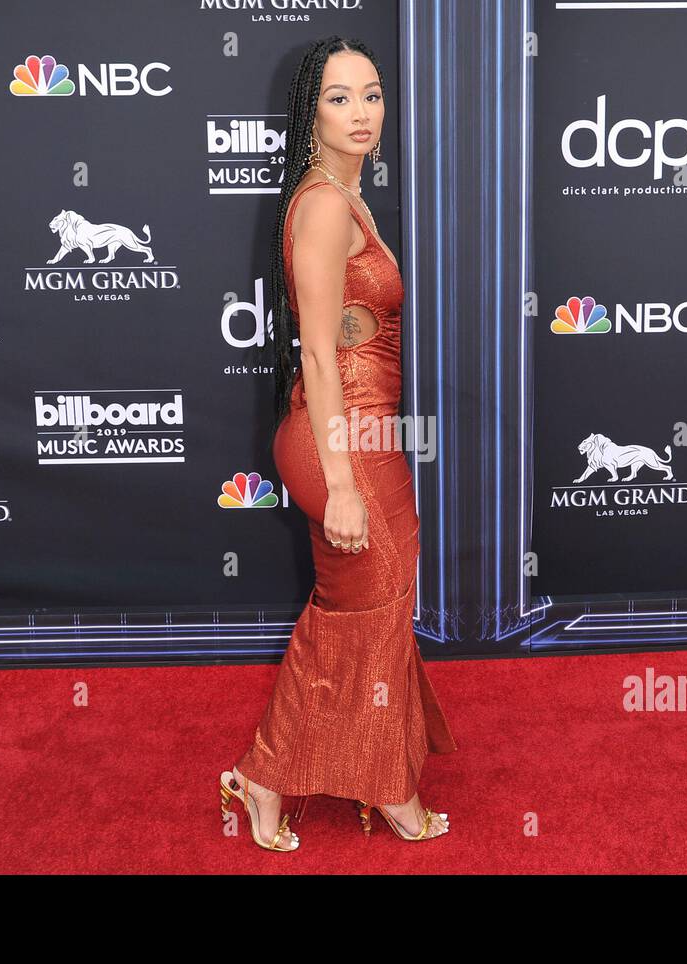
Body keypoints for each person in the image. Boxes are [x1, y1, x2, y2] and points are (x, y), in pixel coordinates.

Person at [218, 37, 457, 851]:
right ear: (309, 114)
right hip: (341, 442)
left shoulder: (343, 197)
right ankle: (383, 787)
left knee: (361, 614)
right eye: (339, 98)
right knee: (377, 604)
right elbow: (319, 353)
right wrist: (343, 482)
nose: (361, 113)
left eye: (373, 95)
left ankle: (267, 777)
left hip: (364, 433)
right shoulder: (323, 204)